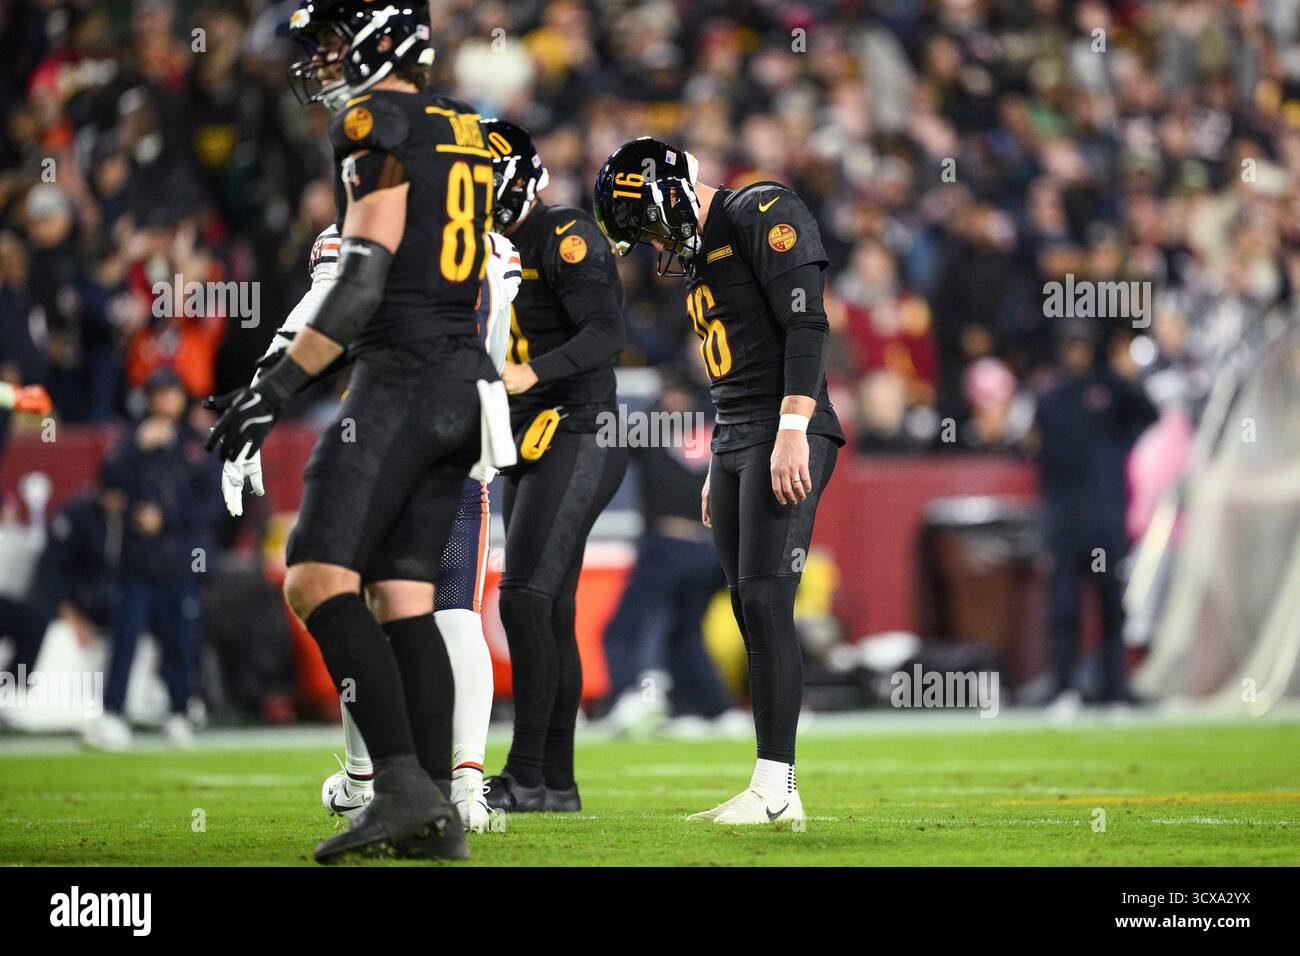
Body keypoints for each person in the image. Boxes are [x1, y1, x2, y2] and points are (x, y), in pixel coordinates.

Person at [206, 0, 510, 863]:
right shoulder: (466, 127)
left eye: (337, 46)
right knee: (406, 596)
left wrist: (276, 386)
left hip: (402, 377)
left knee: (312, 576)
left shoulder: (375, 118)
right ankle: (437, 818)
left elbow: (363, 274)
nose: (327, 66)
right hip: (465, 385)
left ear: (382, 44)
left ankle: (399, 786)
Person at [222, 220, 520, 834]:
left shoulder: (369, 219)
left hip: (387, 426)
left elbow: (318, 315)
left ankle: (367, 778)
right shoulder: (485, 236)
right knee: (450, 610)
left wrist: (261, 397)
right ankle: (460, 786)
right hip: (469, 427)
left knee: (339, 590)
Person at [594, 137, 844, 825]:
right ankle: (769, 786)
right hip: (737, 431)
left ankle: (777, 788)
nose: (649, 241)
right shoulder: (700, 251)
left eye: (646, 222)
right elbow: (731, 366)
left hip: (783, 426)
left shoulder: (760, 208)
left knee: (766, 600)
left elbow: (806, 324)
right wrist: (719, 460)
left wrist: (793, 428)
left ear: (671, 189)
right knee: (746, 606)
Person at [476, 119, 628, 814]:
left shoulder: (565, 231)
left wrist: (527, 373)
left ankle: (526, 775)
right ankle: (555, 784)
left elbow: (605, 335)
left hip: (581, 429)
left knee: (525, 598)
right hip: (533, 439)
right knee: (548, 609)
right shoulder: (484, 245)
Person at [83, 368, 219, 750]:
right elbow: (106, 485)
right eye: (158, 394)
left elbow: (211, 506)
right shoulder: (131, 440)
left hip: (180, 561)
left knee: (181, 640)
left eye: (171, 393)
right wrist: (135, 449)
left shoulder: (197, 444)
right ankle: (113, 715)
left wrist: (166, 518)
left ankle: (179, 711)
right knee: (124, 639)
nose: (164, 402)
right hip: (137, 561)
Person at [1032, 321, 1157, 706]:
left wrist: (1131, 380)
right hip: (1067, 519)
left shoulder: (1112, 390)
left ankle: (1115, 688)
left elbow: (1149, 416)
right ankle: (1063, 687)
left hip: (1105, 518)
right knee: (1064, 607)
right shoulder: (1051, 398)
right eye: (1071, 347)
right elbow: (1041, 458)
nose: (1077, 355)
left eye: (1083, 347)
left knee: (1111, 607)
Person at [601, 371, 732, 731]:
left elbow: (609, 437)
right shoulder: (717, 432)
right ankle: (712, 709)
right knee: (685, 632)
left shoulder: (654, 428)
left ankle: (629, 695)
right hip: (709, 549)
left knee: (622, 629)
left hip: (668, 544)